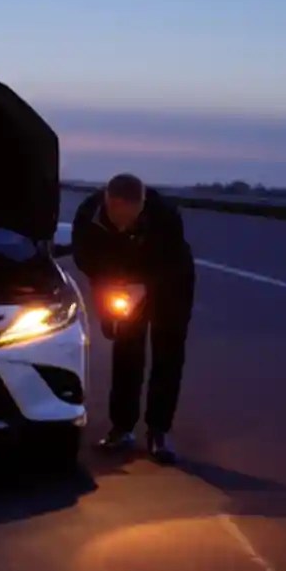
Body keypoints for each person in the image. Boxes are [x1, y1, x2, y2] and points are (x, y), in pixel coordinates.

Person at [72, 173, 196, 464]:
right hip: (119, 283)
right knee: (127, 349)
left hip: (169, 282)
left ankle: (158, 431)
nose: (124, 223)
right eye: (119, 217)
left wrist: (144, 286)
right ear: (108, 201)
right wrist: (109, 295)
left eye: (132, 216)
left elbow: (171, 260)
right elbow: (84, 258)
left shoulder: (164, 213)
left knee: (168, 352)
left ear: (142, 204)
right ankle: (122, 427)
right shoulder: (88, 215)